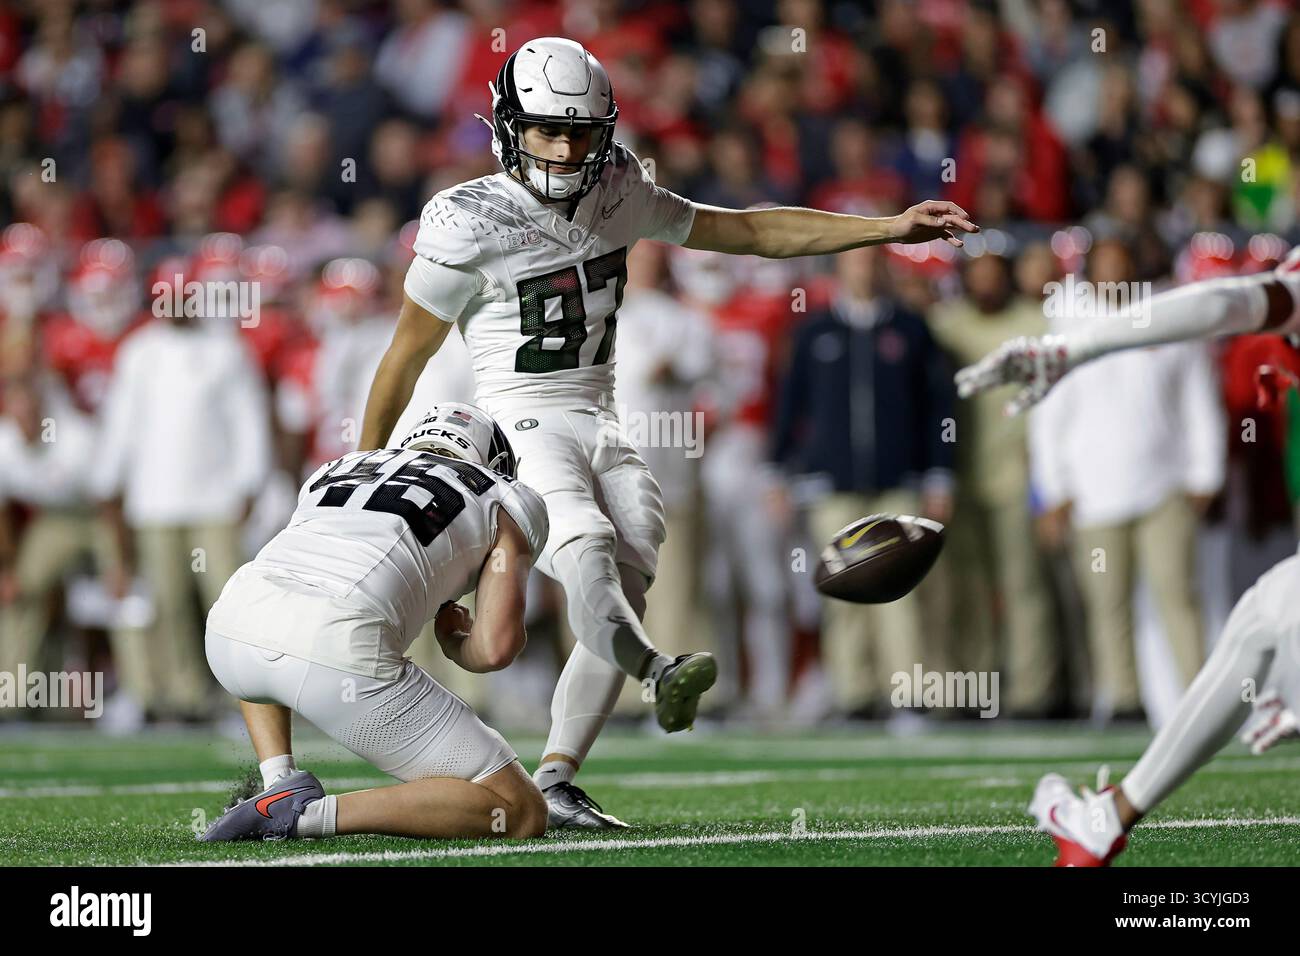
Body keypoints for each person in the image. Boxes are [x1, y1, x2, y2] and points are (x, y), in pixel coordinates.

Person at [357, 36, 978, 829]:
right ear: (509, 127)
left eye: (581, 131)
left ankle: (555, 775)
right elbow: (404, 356)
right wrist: (367, 459)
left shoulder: (620, 186)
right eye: (547, 130)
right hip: (519, 418)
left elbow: (749, 233)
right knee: (580, 546)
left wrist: (884, 228)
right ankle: (657, 668)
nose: (565, 147)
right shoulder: (465, 217)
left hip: (602, 414)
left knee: (631, 568)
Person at [955, 245, 1300, 866]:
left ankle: (1104, 821)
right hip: (1103, 488)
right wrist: (1073, 348)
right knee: (1267, 610)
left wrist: (1074, 348)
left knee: (1255, 608)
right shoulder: (1088, 311)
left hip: (1156, 481)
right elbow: (1232, 302)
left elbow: (1229, 303)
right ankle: (1107, 817)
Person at [199, 403, 550, 842]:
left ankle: (277, 781)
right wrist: (455, 641)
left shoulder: (338, 467)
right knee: (520, 811)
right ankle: (303, 815)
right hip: (334, 648)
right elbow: (496, 648)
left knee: (279, 602)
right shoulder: (505, 496)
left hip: (229, 627)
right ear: (496, 463)